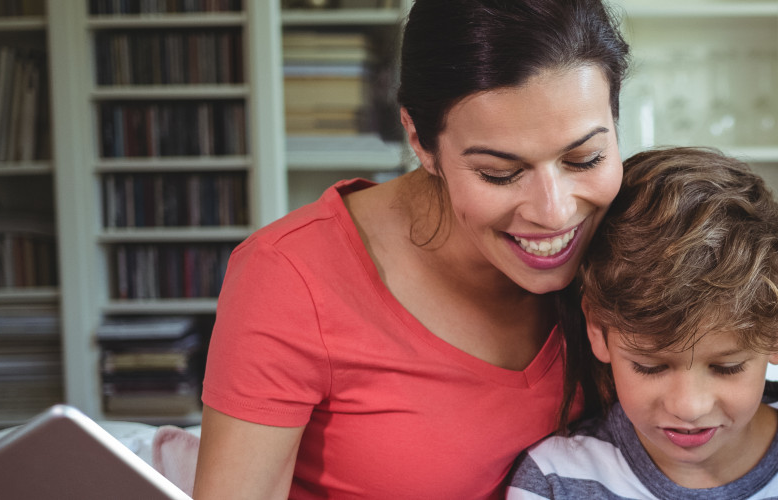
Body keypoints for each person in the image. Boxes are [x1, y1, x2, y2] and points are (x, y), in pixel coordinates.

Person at [193, 0, 630, 497]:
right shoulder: (290, 277)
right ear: (421, 142)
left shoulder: (635, 238)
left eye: (584, 158)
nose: (553, 213)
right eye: (499, 173)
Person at [506, 148, 778, 499]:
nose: (689, 407)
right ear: (597, 327)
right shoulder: (554, 481)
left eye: (726, 367)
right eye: (649, 366)